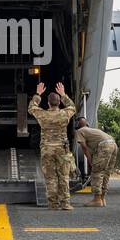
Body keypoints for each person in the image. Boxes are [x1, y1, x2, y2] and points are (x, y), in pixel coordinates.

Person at [28, 82, 76, 210]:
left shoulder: (42, 114)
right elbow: (72, 106)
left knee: (50, 177)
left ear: (48, 103)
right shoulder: (65, 114)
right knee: (64, 176)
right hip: (62, 149)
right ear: (59, 102)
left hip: (47, 149)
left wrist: (38, 94)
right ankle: (65, 203)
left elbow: (31, 107)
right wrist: (63, 94)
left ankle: (53, 204)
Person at [74, 117, 118, 207]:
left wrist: (90, 161)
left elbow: (84, 148)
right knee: (106, 173)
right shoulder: (93, 130)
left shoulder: (80, 131)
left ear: (77, 125)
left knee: (97, 172)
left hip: (104, 146)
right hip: (113, 145)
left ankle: (97, 199)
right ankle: (102, 199)